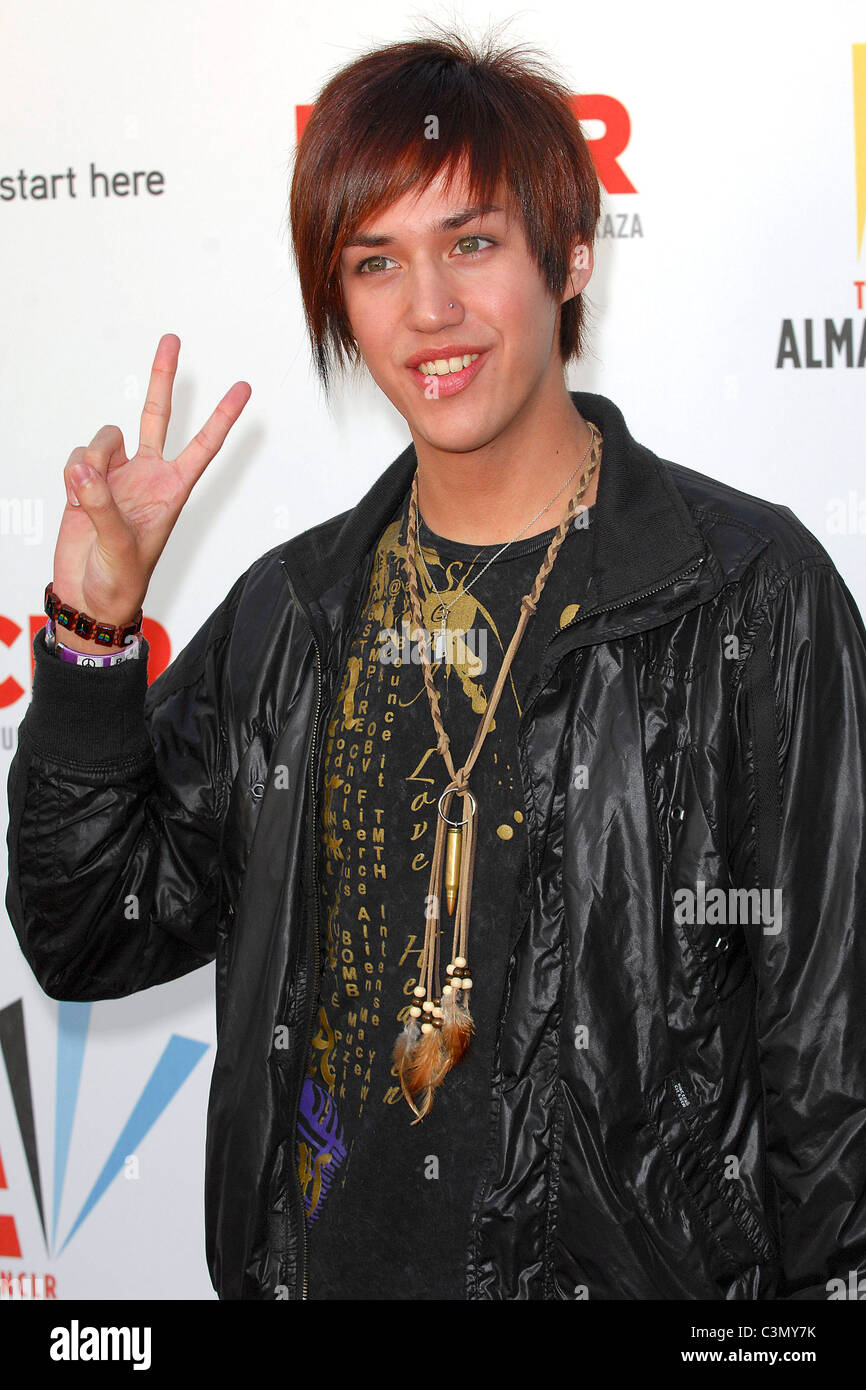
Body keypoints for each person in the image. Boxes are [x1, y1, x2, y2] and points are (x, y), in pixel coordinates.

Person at [6, 24, 866, 1302]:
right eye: (375, 262)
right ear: (338, 303)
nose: (428, 311)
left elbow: (828, 1051)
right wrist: (88, 638)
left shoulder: (745, 591)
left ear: (568, 256)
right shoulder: (295, 615)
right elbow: (87, 938)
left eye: (470, 243)